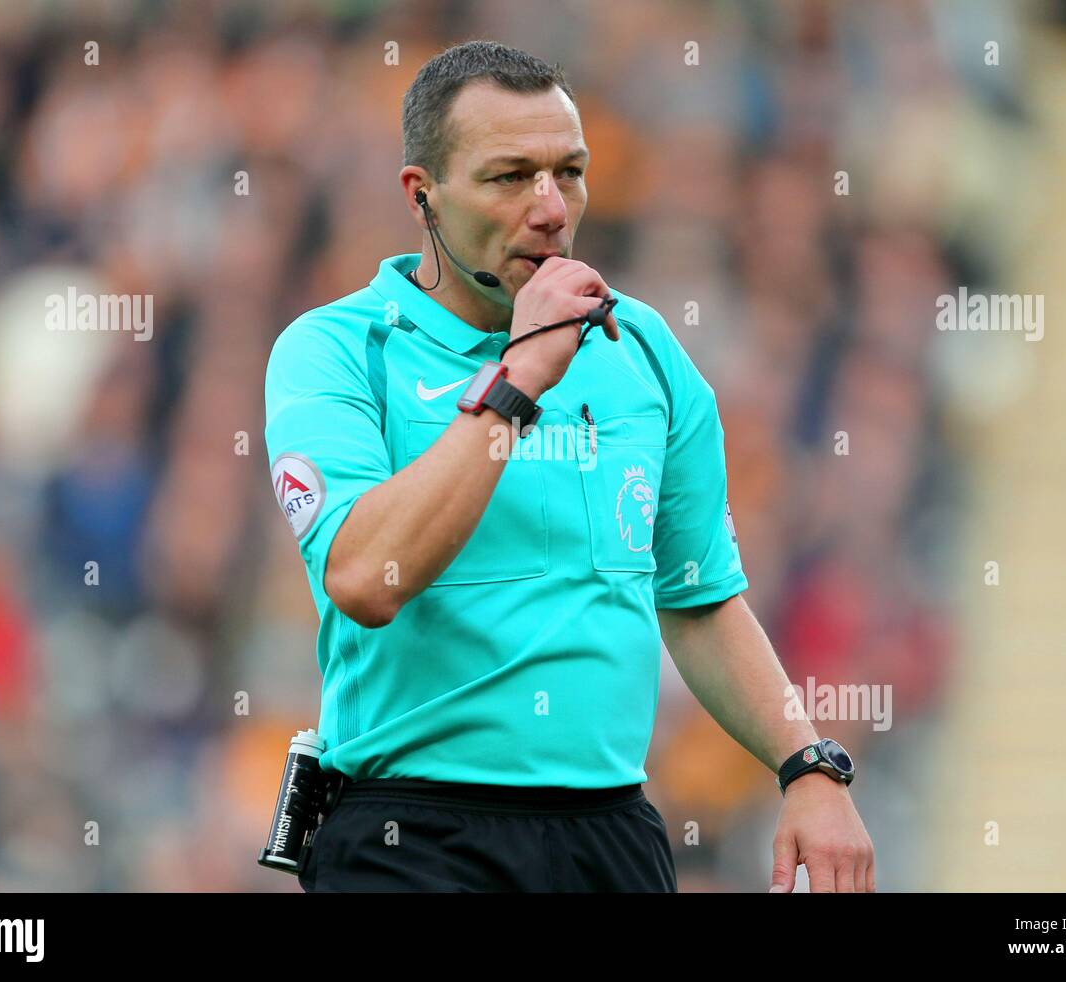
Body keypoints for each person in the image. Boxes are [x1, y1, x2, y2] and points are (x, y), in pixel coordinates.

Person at [263, 40, 873, 892]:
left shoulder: (645, 352)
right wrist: (516, 383)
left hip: (608, 836)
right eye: (510, 176)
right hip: (410, 834)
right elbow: (367, 576)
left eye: (570, 173)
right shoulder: (335, 352)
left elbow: (696, 595)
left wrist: (807, 765)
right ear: (422, 195)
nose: (551, 208)